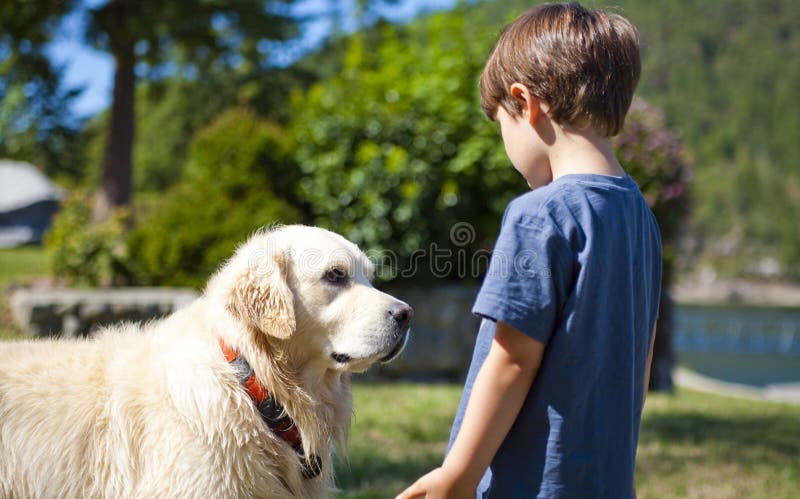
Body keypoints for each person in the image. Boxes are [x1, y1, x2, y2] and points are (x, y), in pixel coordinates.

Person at [397, 3, 661, 498]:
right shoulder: (639, 216)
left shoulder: (540, 213)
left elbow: (513, 359)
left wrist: (459, 475)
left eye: (501, 124)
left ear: (526, 103)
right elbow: (639, 359)